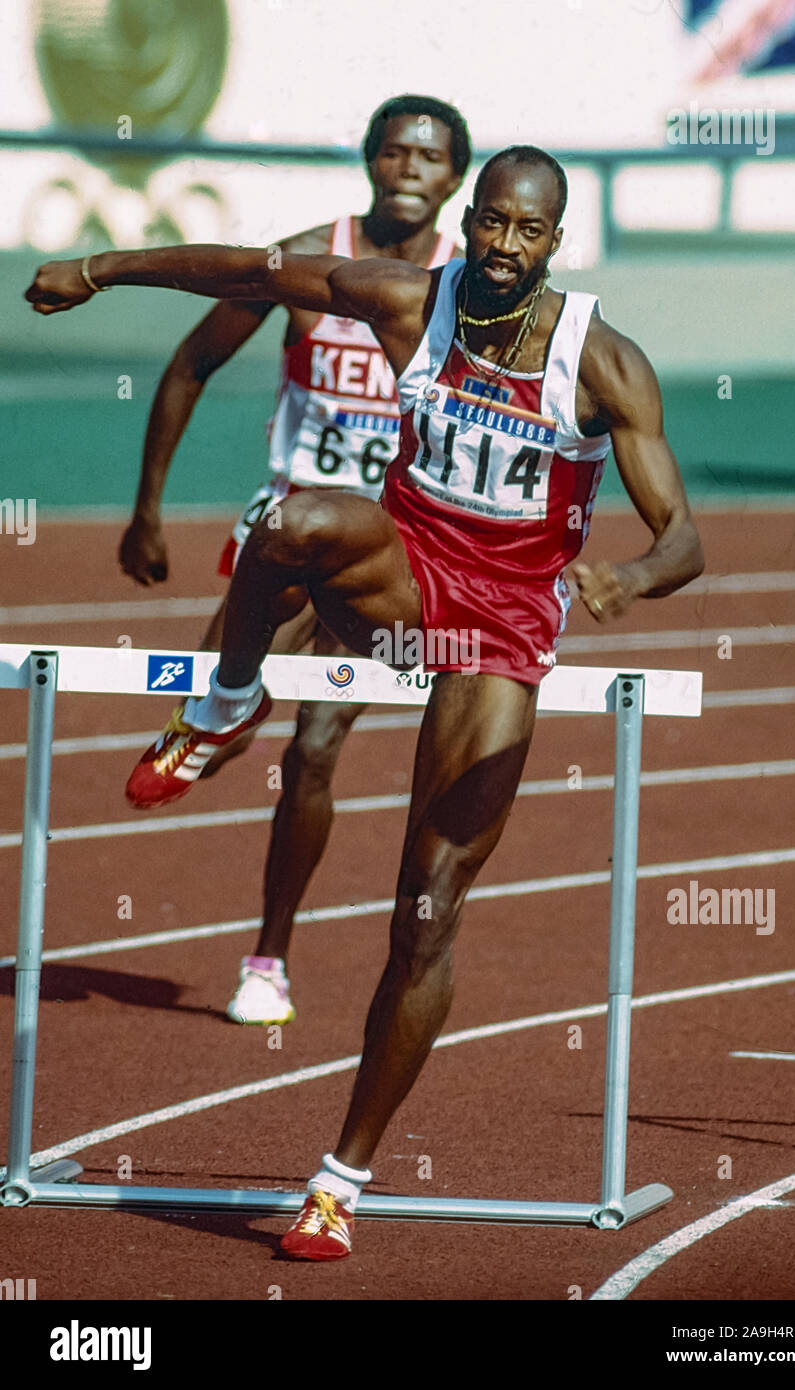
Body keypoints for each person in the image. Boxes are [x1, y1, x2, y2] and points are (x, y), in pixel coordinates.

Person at [26, 144, 705, 1261]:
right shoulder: (407, 300)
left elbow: (683, 538)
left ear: (554, 240)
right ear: (468, 221)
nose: (503, 246)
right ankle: (227, 703)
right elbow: (251, 271)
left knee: (425, 906)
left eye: (526, 231)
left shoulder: (602, 361)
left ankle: (338, 1180)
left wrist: (629, 578)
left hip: (501, 630)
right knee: (289, 522)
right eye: (490, 222)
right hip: (404, 575)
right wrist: (100, 270)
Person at [116, 95, 470, 1028]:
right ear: (370, 160)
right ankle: (223, 717)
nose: (409, 169)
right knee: (221, 728)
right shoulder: (307, 261)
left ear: (454, 178)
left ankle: (267, 961)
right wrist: (148, 508)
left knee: (315, 750)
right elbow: (191, 365)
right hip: (283, 534)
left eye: (429, 157)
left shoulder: (465, 286)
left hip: (386, 549)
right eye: (394, 151)